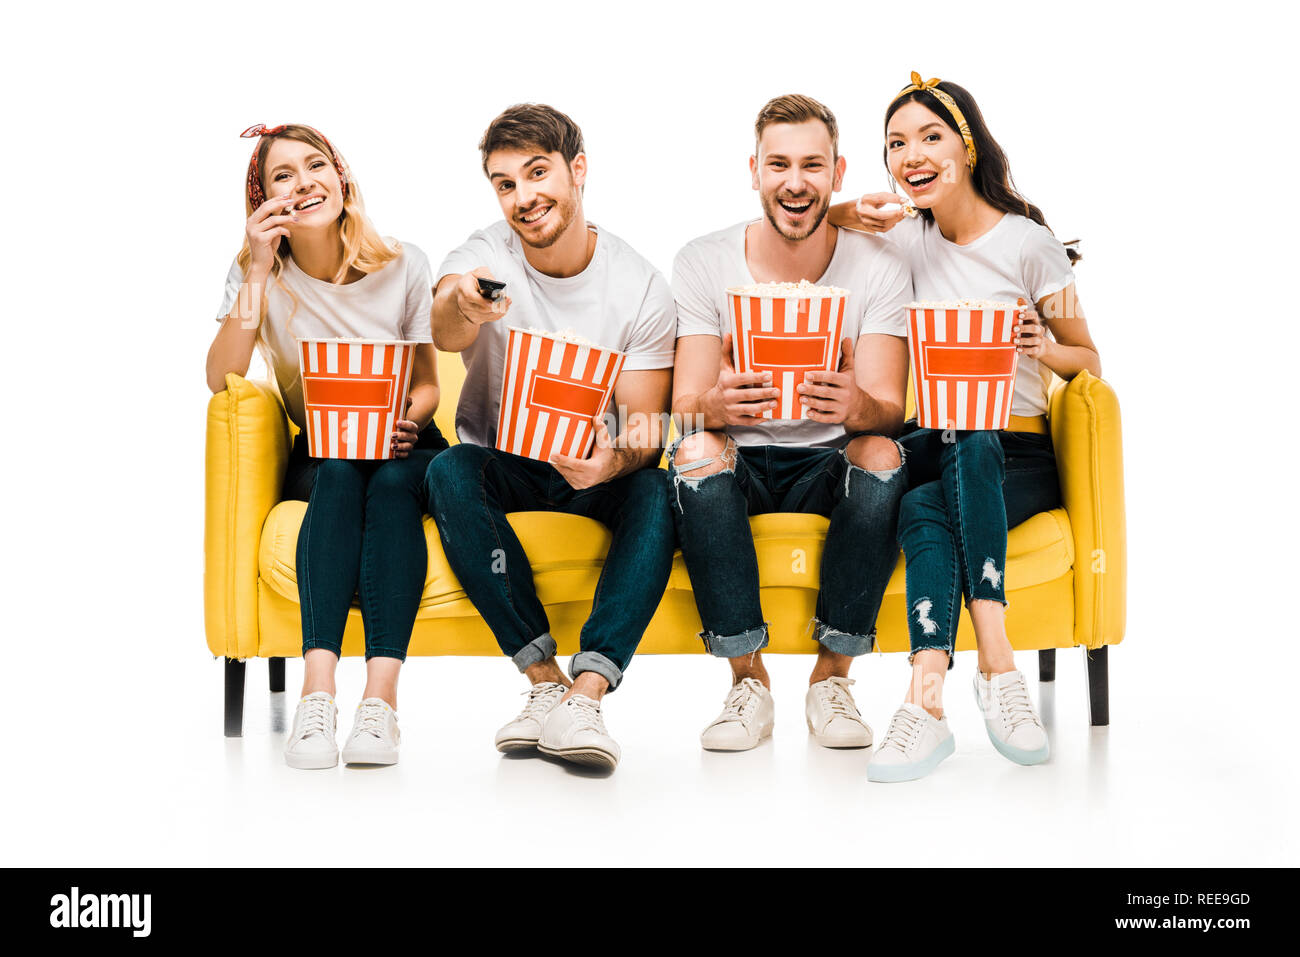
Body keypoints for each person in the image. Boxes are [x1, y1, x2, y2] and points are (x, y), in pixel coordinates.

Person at [829, 74, 1103, 782]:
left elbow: (1090, 358)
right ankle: (978, 678)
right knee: (949, 446)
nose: (910, 154)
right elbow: (800, 219)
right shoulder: (903, 241)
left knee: (936, 490)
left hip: (1016, 451)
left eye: (929, 137)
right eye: (895, 143)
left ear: (968, 145)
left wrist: (1044, 347)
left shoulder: (1032, 244)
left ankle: (946, 690)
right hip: (936, 437)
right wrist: (842, 208)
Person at [423, 104, 676, 771]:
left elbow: (648, 425)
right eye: (505, 183)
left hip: (595, 473)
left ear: (578, 171)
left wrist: (611, 460)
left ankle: (588, 692)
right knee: (449, 467)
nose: (523, 197)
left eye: (537, 174)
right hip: (504, 464)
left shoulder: (640, 286)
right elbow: (446, 322)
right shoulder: (487, 252)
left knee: (656, 484)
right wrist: (466, 304)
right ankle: (544, 683)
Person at [669, 94, 913, 752]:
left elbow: (891, 408)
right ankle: (748, 681)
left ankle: (831, 677)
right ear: (754, 171)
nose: (795, 181)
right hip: (738, 464)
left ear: (838, 173)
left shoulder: (880, 267)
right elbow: (685, 402)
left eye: (813, 164)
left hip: (827, 463)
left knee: (884, 453)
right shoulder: (702, 260)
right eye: (779, 164)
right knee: (692, 446)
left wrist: (855, 404)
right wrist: (716, 404)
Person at [208, 123, 448, 770]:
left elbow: (427, 383)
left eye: (316, 165)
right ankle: (319, 696)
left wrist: (407, 417)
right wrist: (258, 266)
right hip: (324, 450)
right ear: (264, 199)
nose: (305, 181)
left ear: (341, 176)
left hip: (405, 440)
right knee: (341, 468)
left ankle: (381, 703)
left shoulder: (403, 262)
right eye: (284, 174)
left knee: (394, 482)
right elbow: (220, 376)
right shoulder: (260, 274)